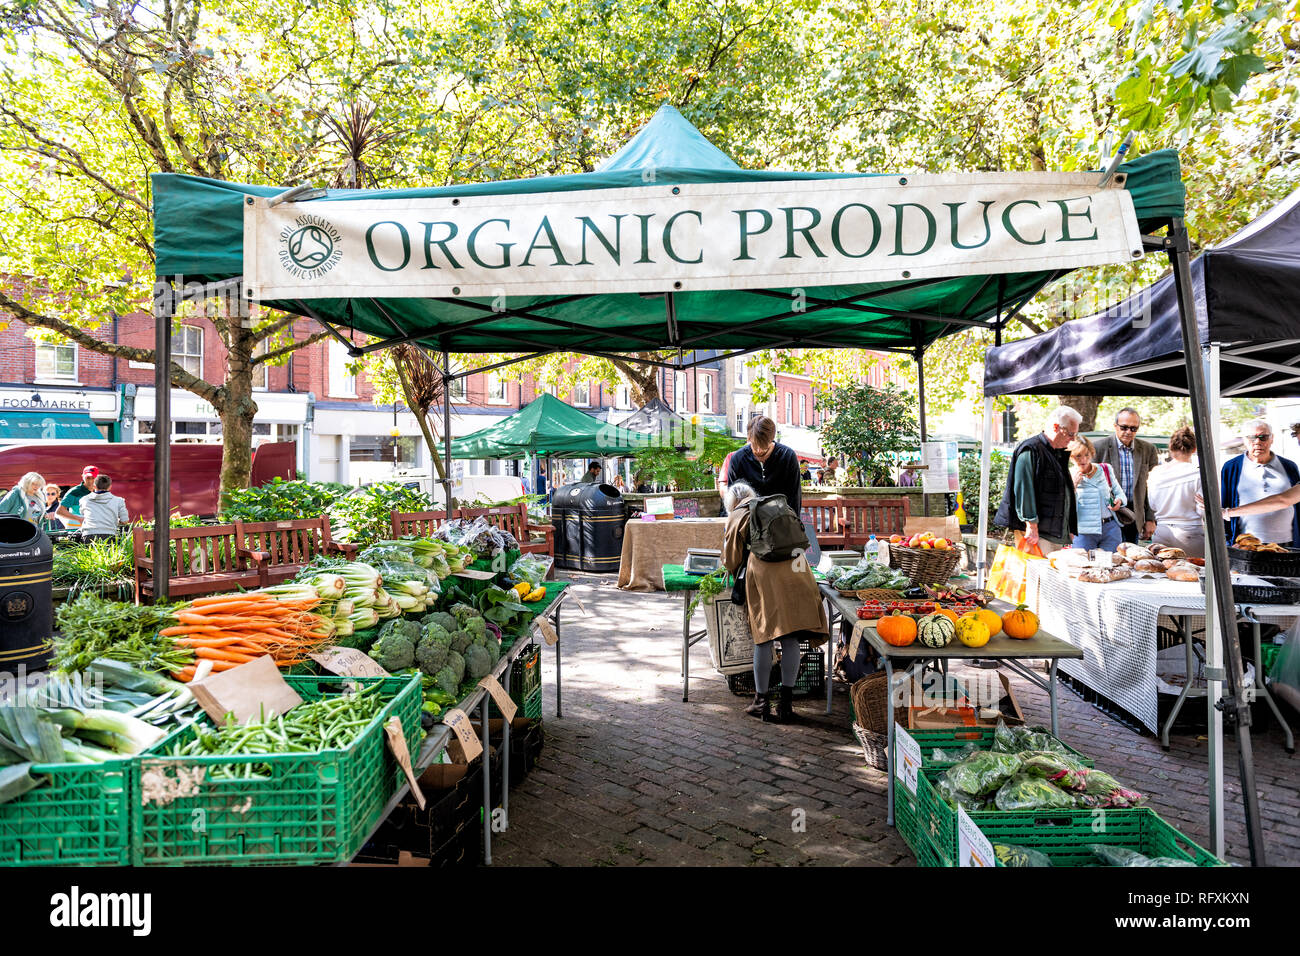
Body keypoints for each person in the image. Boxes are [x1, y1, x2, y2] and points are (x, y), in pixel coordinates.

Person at [721, 481, 828, 723]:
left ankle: (761, 703)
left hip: (766, 578)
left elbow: (730, 560)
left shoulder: (738, 515)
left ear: (731, 503)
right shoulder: (778, 505)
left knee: (764, 637)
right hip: (799, 572)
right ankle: (786, 705)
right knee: (790, 637)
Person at [994, 406, 1081, 555]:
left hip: (1053, 532)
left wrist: (1068, 528)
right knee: (1036, 576)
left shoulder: (1056, 453)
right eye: (1071, 434)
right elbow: (1024, 491)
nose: (1073, 439)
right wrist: (1031, 526)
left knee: (1051, 577)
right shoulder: (1031, 449)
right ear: (1056, 427)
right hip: (1036, 534)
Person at [1219, 420, 1300, 546]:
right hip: (1246, 543)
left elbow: (1285, 500)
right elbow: (1225, 501)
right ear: (1245, 440)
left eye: (1263, 437)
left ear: (1272, 439)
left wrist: (1227, 512)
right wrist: (1228, 541)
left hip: (1287, 544)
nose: (1257, 442)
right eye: (1252, 437)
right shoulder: (1231, 467)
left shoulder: (1289, 466)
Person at [1092, 408, 1160, 543]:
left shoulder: (1148, 449)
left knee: (1130, 558)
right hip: (1109, 514)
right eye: (1124, 427)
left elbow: (1153, 488)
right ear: (1115, 426)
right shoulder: (1098, 448)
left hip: (1135, 514)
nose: (1128, 432)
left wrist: (1151, 519)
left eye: (1133, 428)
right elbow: (1091, 485)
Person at [1146, 426, 1205, 558]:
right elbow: (1201, 510)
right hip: (1190, 534)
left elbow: (1153, 505)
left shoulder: (1155, 473)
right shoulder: (1198, 474)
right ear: (1194, 449)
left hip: (1162, 533)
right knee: (1193, 574)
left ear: (1171, 448)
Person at [726, 415, 802, 515]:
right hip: (748, 520)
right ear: (748, 438)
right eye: (754, 444)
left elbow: (794, 497)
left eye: (763, 446)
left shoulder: (787, 456)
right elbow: (733, 498)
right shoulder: (738, 459)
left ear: (772, 438)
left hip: (780, 520)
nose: (758, 450)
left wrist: (791, 523)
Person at [1068, 436, 1126, 552]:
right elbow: (1066, 507)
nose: (1083, 459)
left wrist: (1118, 502)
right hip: (1083, 532)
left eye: (1087, 455)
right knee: (1083, 567)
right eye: (1078, 456)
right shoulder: (1068, 475)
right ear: (1071, 457)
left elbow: (1120, 493)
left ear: (1092, 453)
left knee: (1112, 565)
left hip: (1110, 528)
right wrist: (1073, 485)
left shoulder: (1105, 469)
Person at [79, 475, 130, 540]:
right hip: (110, 534)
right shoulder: (119, 501)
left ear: (94, 486)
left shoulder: (84, 500)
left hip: (88, 534)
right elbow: (124, 521)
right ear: (110, 487)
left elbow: (83, 514)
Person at [56, 465, 100, 532]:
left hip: (94, 529)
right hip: (76, 530)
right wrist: (79, 519)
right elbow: (59, 511)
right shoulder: (74, 491)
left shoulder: (99, 491)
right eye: (88, 478)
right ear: (82, 476)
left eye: (93, 478)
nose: (90, 481)